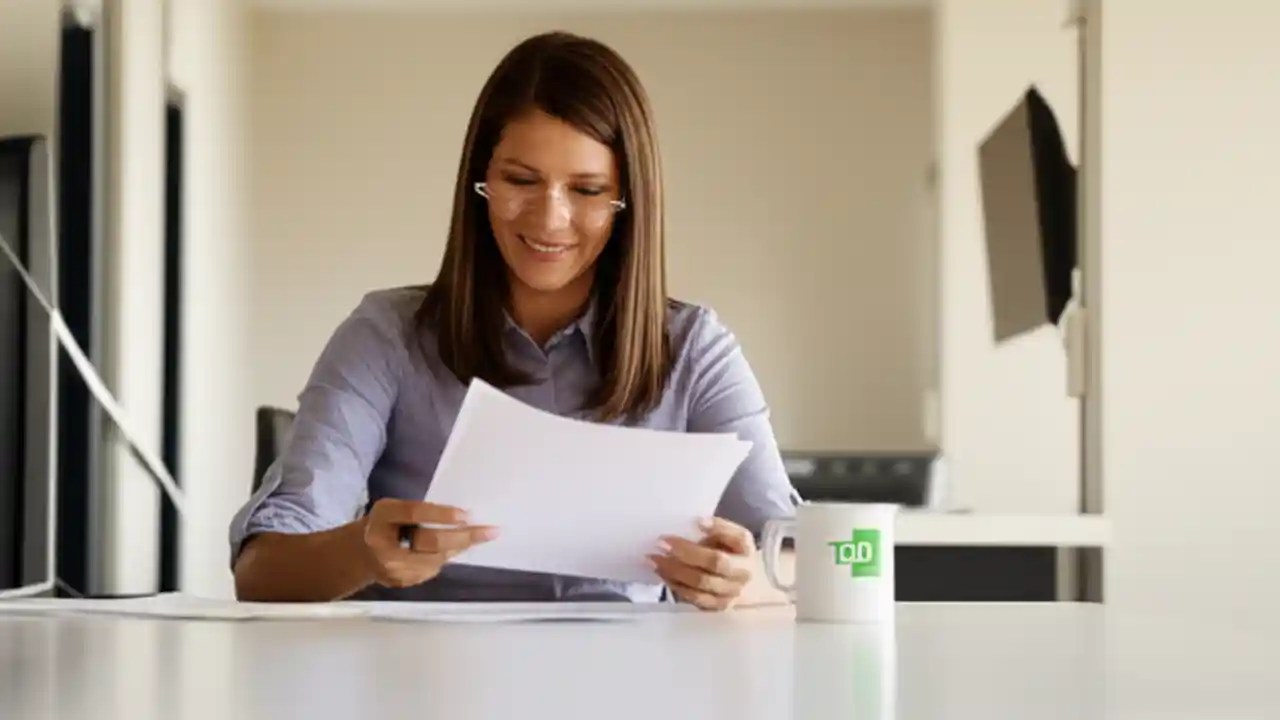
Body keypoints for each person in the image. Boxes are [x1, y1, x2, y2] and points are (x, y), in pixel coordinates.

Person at [230, 31, 796, 609]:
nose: (551, 220)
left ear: (628, 203)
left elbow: (796, 558)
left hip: (628, 688)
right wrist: (363, 552)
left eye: (588, 190)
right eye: (521, 181)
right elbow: (261, 570)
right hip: (428, 689)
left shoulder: (694, 348)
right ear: (481, 182)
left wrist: (745, 582)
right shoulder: (387, 335)